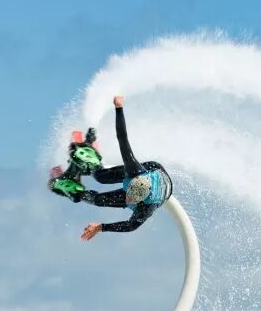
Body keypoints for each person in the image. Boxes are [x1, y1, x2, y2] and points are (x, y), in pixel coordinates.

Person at [50, 95, 173, 240]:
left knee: (97, 200)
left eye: (131, 198)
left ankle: (76, 191)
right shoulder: (134, 170)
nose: (127, 198)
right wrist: (119, 108)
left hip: (156, 192)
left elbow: (130, 226)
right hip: (151, 170)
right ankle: (91, 158)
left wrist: (101, 227)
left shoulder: (145, 208)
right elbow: (122, 138)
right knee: (101, 177)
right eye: (127, 193)